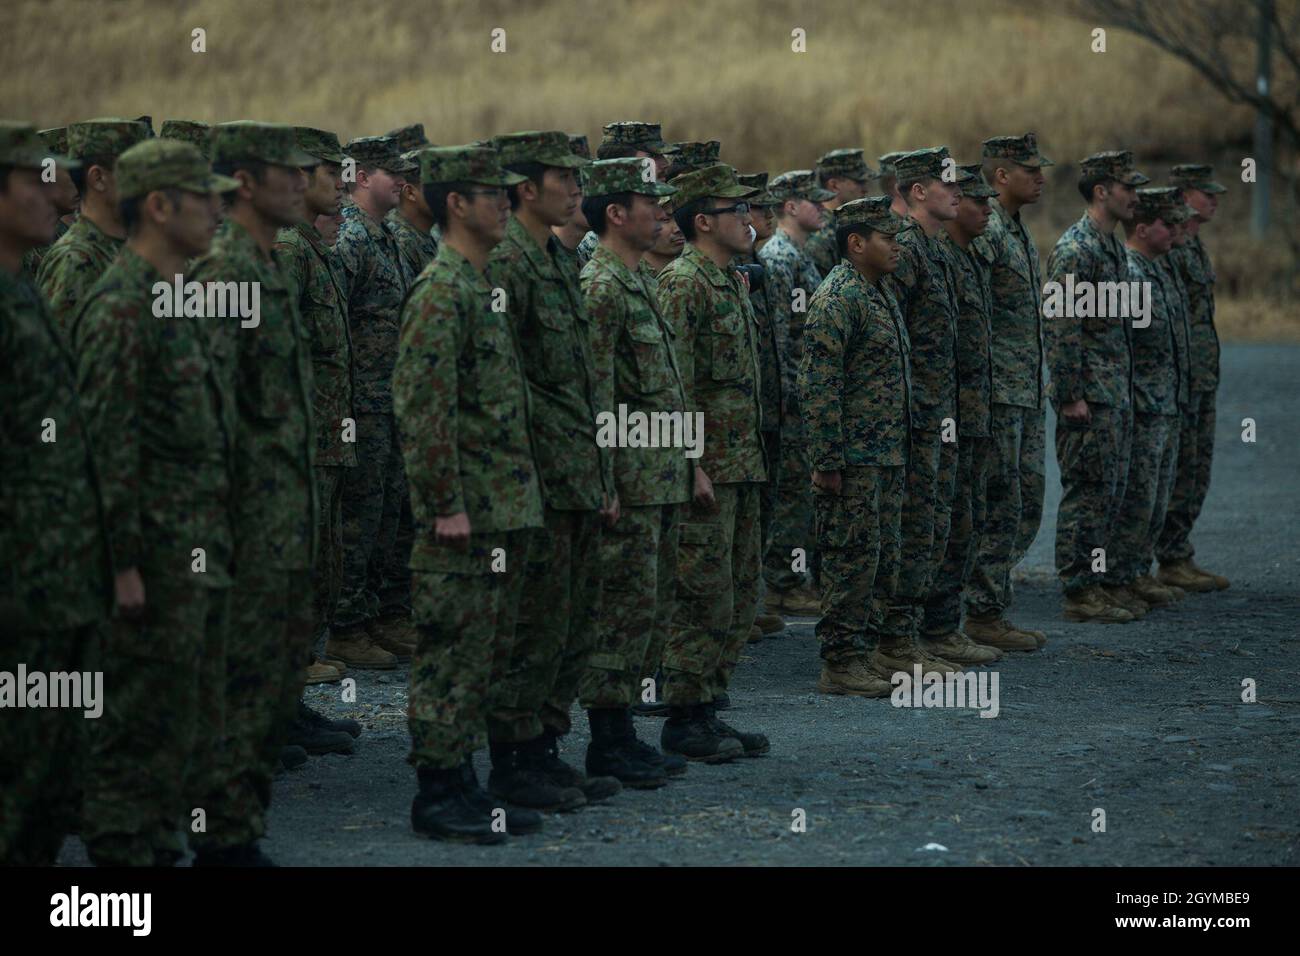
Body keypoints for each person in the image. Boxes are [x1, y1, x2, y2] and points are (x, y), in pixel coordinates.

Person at [73, 139, 239, 864]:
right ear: (161, 206)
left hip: (194, 550)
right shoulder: (118, 306)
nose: (217, 208)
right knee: (134, 727)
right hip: (152, 560)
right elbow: (105, 448)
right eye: (202, 196)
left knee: (183, 720)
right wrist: (123, 566)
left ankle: (156, 848)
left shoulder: (177, 295)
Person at [393, 145, 544, 843]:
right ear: (457, 203)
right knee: (450, 650)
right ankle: (438, 790)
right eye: (494, 194)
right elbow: (424, 407)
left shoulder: (478, 284)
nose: (507, 204)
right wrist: (443, 502)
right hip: (463, 515)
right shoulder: (441, 290)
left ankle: (465, 781)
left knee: (483, 650)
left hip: (497, 508)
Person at [187, 121, 319, 866]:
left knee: (269, 690)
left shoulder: (267, 264)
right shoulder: (224, 272)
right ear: (243, 181)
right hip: (242, 527)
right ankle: (219, 840)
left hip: (282, 521)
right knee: (234, 690)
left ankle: (239, 830)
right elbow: (204, 412)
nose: (302, 183)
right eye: (286, 172)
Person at [0, 121, 113, 865]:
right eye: (35, 179)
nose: (56, 191)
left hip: (53, 574)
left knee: (43, 777)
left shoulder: (21, 289)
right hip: (18, 580)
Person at [576, 157, 686, 788]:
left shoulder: (637, 279)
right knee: (618, 610)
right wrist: (603, 481)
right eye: (655, 208)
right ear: (618, 214)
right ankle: (606, 740)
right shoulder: (601, 286)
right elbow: (595, 395)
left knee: (645, 608)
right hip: (627, 483)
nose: (663, 218)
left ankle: (624, 734)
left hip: (659, 476)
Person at [658, 163, 770, 761]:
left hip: (741, 463)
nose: (749, 222)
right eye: (737, 212)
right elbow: (672, 382)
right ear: (704, 222)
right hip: (708, 468)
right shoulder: (684, 284)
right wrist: (688, 463)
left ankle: (709, 704)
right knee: (701, 592)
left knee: (739, 591)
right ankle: (683, 717)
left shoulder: (728, 281)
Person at [798, 196, 910, 697]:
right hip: (854, 457)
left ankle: (867, 652)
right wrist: (826, 460)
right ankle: (840, 662)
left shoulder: (876, 290)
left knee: (879, 559)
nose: (898, 248)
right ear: (857, 243)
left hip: (883, 452)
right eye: (889, 238)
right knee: (850, 559)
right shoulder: (839, 296)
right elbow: (820, 384)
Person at [1044, 150, 1148, 623]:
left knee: (1111, 491)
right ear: (1102, 191)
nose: (1136, 196)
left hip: (1113, 392)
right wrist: (1070, 394)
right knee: (1087, 491)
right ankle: (1078, 588)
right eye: (1129, 187)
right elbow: (1062, 327)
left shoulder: (1110, 248)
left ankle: (1100, 580)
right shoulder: (1075, 250)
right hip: (1089, 397)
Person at [965, 133, 1054, 650]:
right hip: (999, 393)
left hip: (1024, 390)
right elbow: (973, 314)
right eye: (1030, 170)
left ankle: (989, 602)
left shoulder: (1016, 230)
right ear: (1001, 176)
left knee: (1025, 501)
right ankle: (981, 611)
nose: (1040, 177)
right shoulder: (988, 231)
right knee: (999, 502)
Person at [1155, 164, 1230, 592]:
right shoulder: (1173, 243)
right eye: (1207, 193)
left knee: (1197, 467)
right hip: (1179, 375)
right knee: (1176, 467)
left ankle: (1178, 552)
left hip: (1201, 372)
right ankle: (1167, 555)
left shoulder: (1193, 242)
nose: (1214, 200)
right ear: (1185, 194)